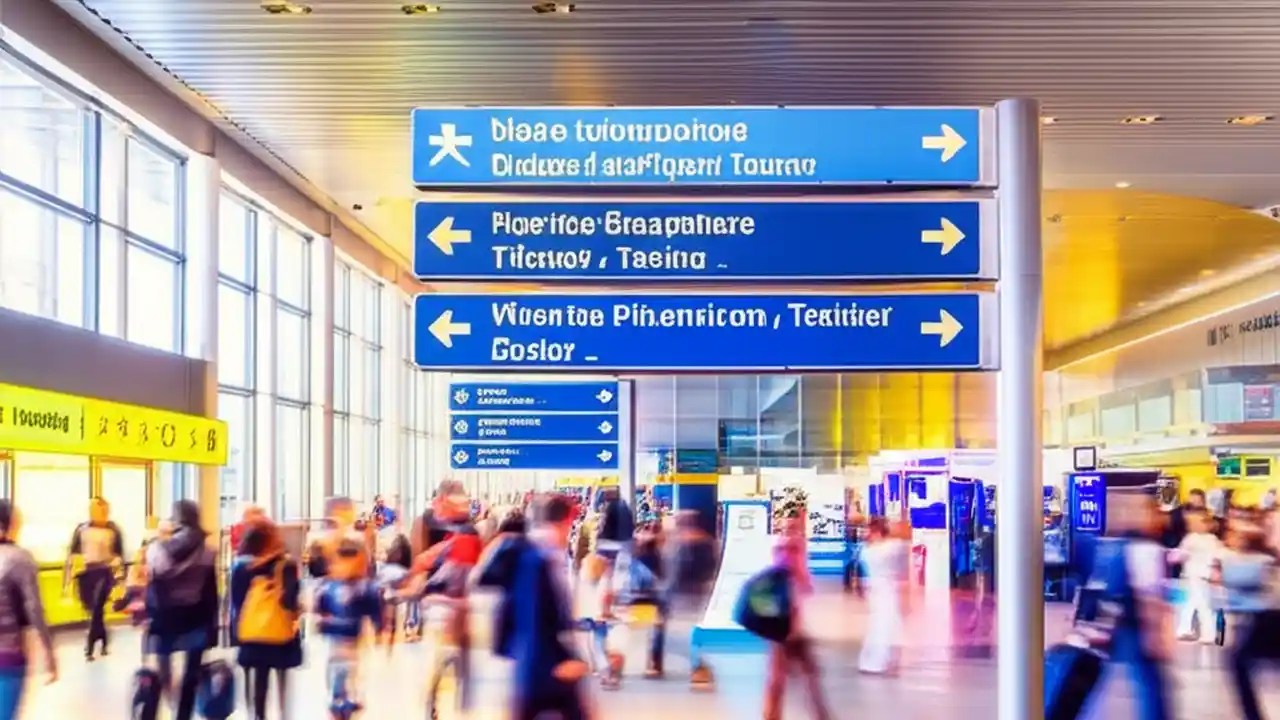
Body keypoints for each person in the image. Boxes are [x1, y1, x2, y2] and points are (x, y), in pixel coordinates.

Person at [501, 493, 591, 720]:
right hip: (543, 668)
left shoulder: (540, 557)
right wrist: (558, 660)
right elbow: (534, 617)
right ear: (562, 523)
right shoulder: (536, 561)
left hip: (538, 665)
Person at [146, 500, 219, 720]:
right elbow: (210, 594)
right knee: (191, 675)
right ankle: (182, 715)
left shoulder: (157, 550)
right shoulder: (208, 552)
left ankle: (158, 708)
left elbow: (153, 587)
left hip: (165, 620)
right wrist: (213, 627)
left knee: (161, 674)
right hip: (195, 619)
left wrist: (151, 618)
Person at [230, 518, 303, 720]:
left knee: (259, 681)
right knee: (282, 678)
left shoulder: (241, 568)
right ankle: (283, 714)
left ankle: (257, 715)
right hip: (279, 633)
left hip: (253, 634)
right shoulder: (285, 565)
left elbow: (236, 603)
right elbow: (290, 600)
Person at [763, 513, 830, 720]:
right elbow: (800, 585)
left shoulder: (783, 552)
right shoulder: (791, 552)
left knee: (784, 675)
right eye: (786, 529)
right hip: (787, 624)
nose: (789, 535)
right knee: (800, 674)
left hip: (784, 623)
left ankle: (772, 714)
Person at [313, 537, 384, 719]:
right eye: (339, 563)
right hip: (335, 638)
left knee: (350, 670)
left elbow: (374, 609)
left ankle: (347, 699)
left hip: (354, 639)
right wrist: (320, 620)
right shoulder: (327, 587)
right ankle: (337, 699)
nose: (343, 568)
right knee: (337, 669)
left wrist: (379, 628)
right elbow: (319, 608)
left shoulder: (364, 587)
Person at [0, 501, 55, 720]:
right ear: (11, 523)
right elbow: (34, 609)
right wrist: (49, 653)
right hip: (7, 655)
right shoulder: (19, 558)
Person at [1220, 520, 1280, 720]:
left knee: (1238, 661)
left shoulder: (1261, 561)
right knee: (1238, 661)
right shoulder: (1262, 560)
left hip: (1267, 615)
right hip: (1265, 616)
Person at [63, 497, 124, 661]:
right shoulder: (81, 530)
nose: (97, 513)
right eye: (94, 510)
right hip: (85, 573)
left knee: (97, 606)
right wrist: (68, 580)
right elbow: (72, 554)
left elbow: (119, 555)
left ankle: (89, 646)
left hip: (105, 572)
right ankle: (103, 638)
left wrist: (119, 581)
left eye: (101, 510)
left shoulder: (113, 530)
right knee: (93, 610)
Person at [859, 517, 909, 674]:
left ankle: (875, 660)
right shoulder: (892, 547)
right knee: (887, 623)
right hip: (887, 588)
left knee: (880, 623)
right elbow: (905, 538)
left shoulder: (867, 551)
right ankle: (883, 660)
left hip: (875, 589)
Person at [1173, 509, 1223, 641]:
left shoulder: (1209, 540)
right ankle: (1187, 629)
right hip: (1191, 576)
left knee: (1201, 605)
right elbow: (1180, 555)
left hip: (1202, 577)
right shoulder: (1190, 538)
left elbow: (1218, 557)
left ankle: (1207, 633)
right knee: (1190, 603)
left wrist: (1216, 571)